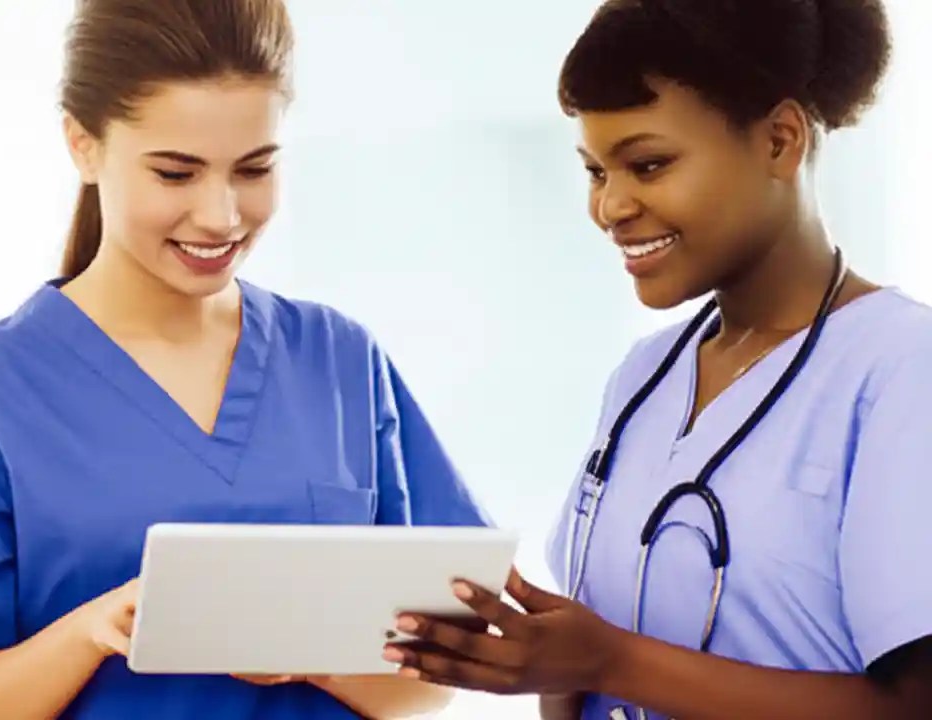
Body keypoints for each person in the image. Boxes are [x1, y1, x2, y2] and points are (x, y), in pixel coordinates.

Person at [0, 0, 492, 718]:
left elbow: (433, 679)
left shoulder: (339, 362)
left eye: (253, 168)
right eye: (176, 174)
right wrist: (91, 632)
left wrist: (306, 653)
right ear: (83, 145)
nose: (220, 215)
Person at [382, 0, 932, 718]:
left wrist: (613, 659)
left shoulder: (900, 370)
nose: (610, 207)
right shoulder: (645, 377)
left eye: (648, 164)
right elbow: (576, 663)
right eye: (594, 172)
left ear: (780, 140)